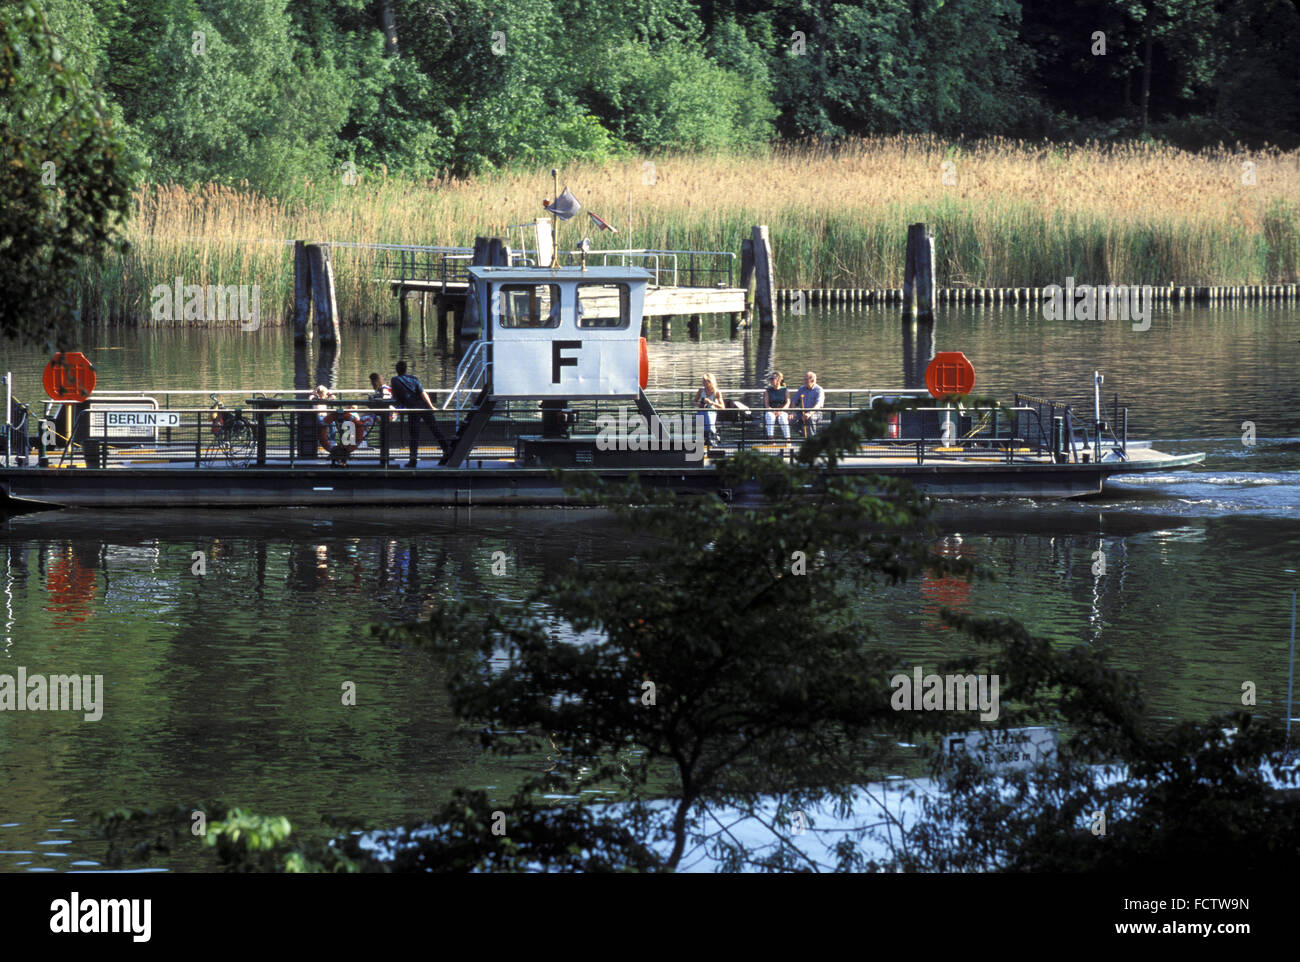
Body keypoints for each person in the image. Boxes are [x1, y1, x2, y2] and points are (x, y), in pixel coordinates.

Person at [390, 360, 452, 465]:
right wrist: (431, 406)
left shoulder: (395, 380)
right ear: (406, 369)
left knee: (414, 435)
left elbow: (396, 396)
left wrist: (397, 406)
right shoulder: (414, 379)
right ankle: (447, 450)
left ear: (397, 370)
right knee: (435, 429)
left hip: (413, 409)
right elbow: (423, 393)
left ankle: (413, 460)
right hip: (424, 407)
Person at [360, 372, 394, 447]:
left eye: (372, 382)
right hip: (382, 414)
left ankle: (362, 443)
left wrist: (374, 402)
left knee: (363, 420)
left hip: (388, 416)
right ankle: (362, 441)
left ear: (375, 382)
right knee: (363, 417)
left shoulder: (385, 390)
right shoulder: (381, 390)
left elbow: (385, 403)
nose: (371, 384)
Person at [791, 371, 825, 436]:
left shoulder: (819, 390)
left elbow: (818, 404)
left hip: (815, 413)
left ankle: (812, 439)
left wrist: (809, 413)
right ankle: (803, 434)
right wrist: (792, 412)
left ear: (812, 380)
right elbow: (794, 400)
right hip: (802, 412)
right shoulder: (801, 389)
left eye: (806, 379)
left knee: (810, 419)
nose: (804, 381)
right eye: (804, 379)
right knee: (791, 419)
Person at [695, 373, 724, 446]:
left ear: (711, 382)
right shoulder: (701, 390)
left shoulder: (716, 392)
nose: (704, 383)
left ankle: (710, 436)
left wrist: (711, 402)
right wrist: (699, 404)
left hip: (711, 411)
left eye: (706, 381)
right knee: (702, 414)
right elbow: (694, 401)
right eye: (703, 381)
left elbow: (722, 407)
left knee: (707, 414)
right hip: (701, 411)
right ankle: (706, 437)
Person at [764, 371, 791, 442]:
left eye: (773, 378)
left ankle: (788, 440)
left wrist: (781, 410)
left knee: (783, 418)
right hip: (771, 410)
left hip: (782, 410)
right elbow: (766, 404)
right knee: (770, 417)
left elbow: (788, 402)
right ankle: (771, 440)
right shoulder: (768, 390)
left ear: (779, 379)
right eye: (770, 379)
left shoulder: (785, 390)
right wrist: (771, 410)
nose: (771, 380)